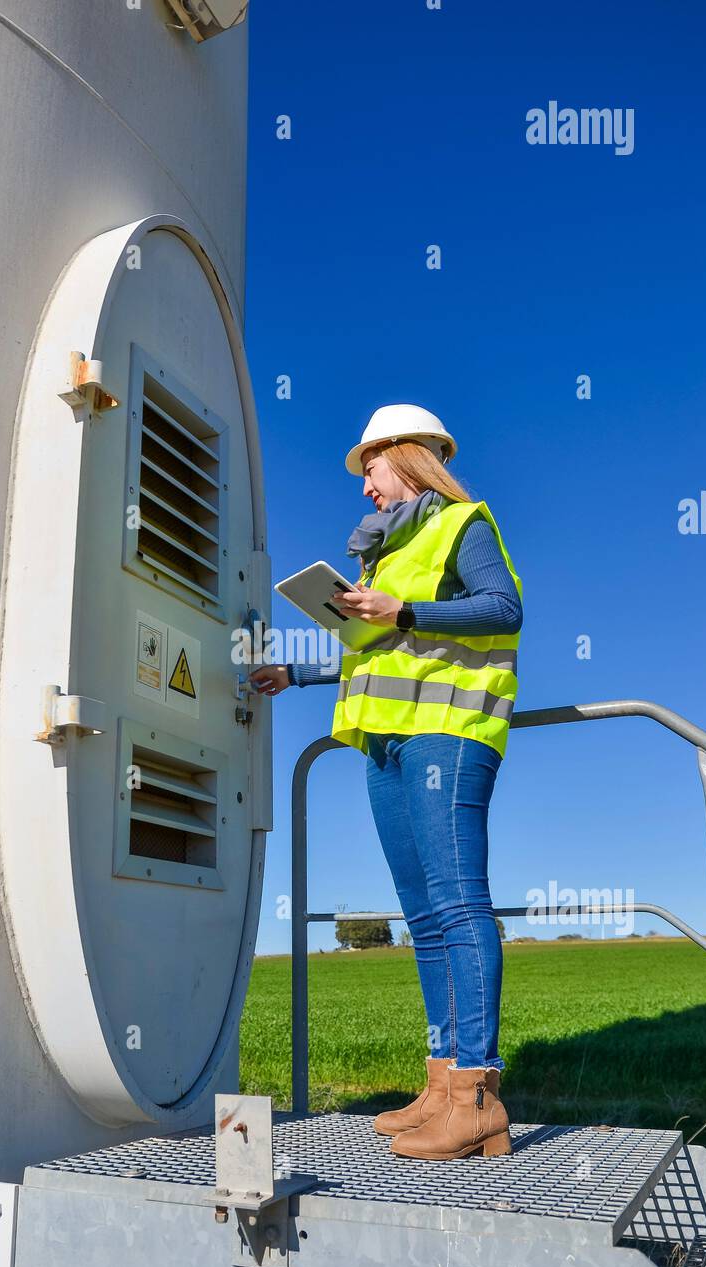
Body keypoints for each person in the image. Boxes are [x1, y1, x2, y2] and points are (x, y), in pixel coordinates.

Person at [249, 404, 523, 1161]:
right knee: (423, 918)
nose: (365, 490)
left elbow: (503, 608)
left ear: (404, 457)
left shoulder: (462, 524)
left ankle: (476, 1096)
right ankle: (440, 1087)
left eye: (368, 471)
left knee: (458, 904)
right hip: (384, 746)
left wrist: (402, 608)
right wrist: (298, 671)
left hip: (448, 737)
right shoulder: (381, 557)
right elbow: (375, 650)